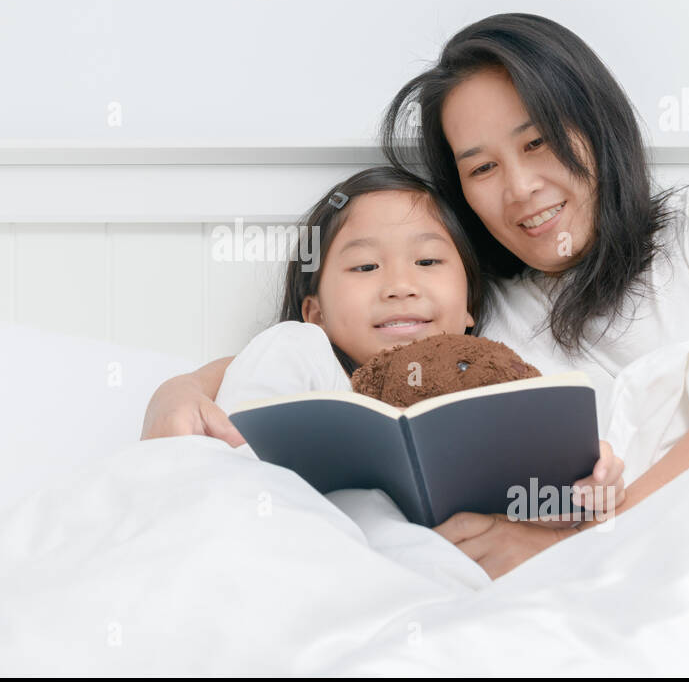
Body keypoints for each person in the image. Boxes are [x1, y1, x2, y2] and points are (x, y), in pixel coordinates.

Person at [143, 13, 689, 578]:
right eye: (482, 166)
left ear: (596, 122)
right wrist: (182, 386)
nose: (521, 190)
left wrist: (592, 538)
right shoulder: (473, 314)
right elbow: (333, 360)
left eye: (537, 142)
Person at [212, 165, 622, 530]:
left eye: (427, 262)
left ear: (468, 309)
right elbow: (233, 464)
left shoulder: (493, 389)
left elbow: (548, 504)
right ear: (316, 313)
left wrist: (587, 487)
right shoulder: (298, 350)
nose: (400, 287)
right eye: (365, 267)